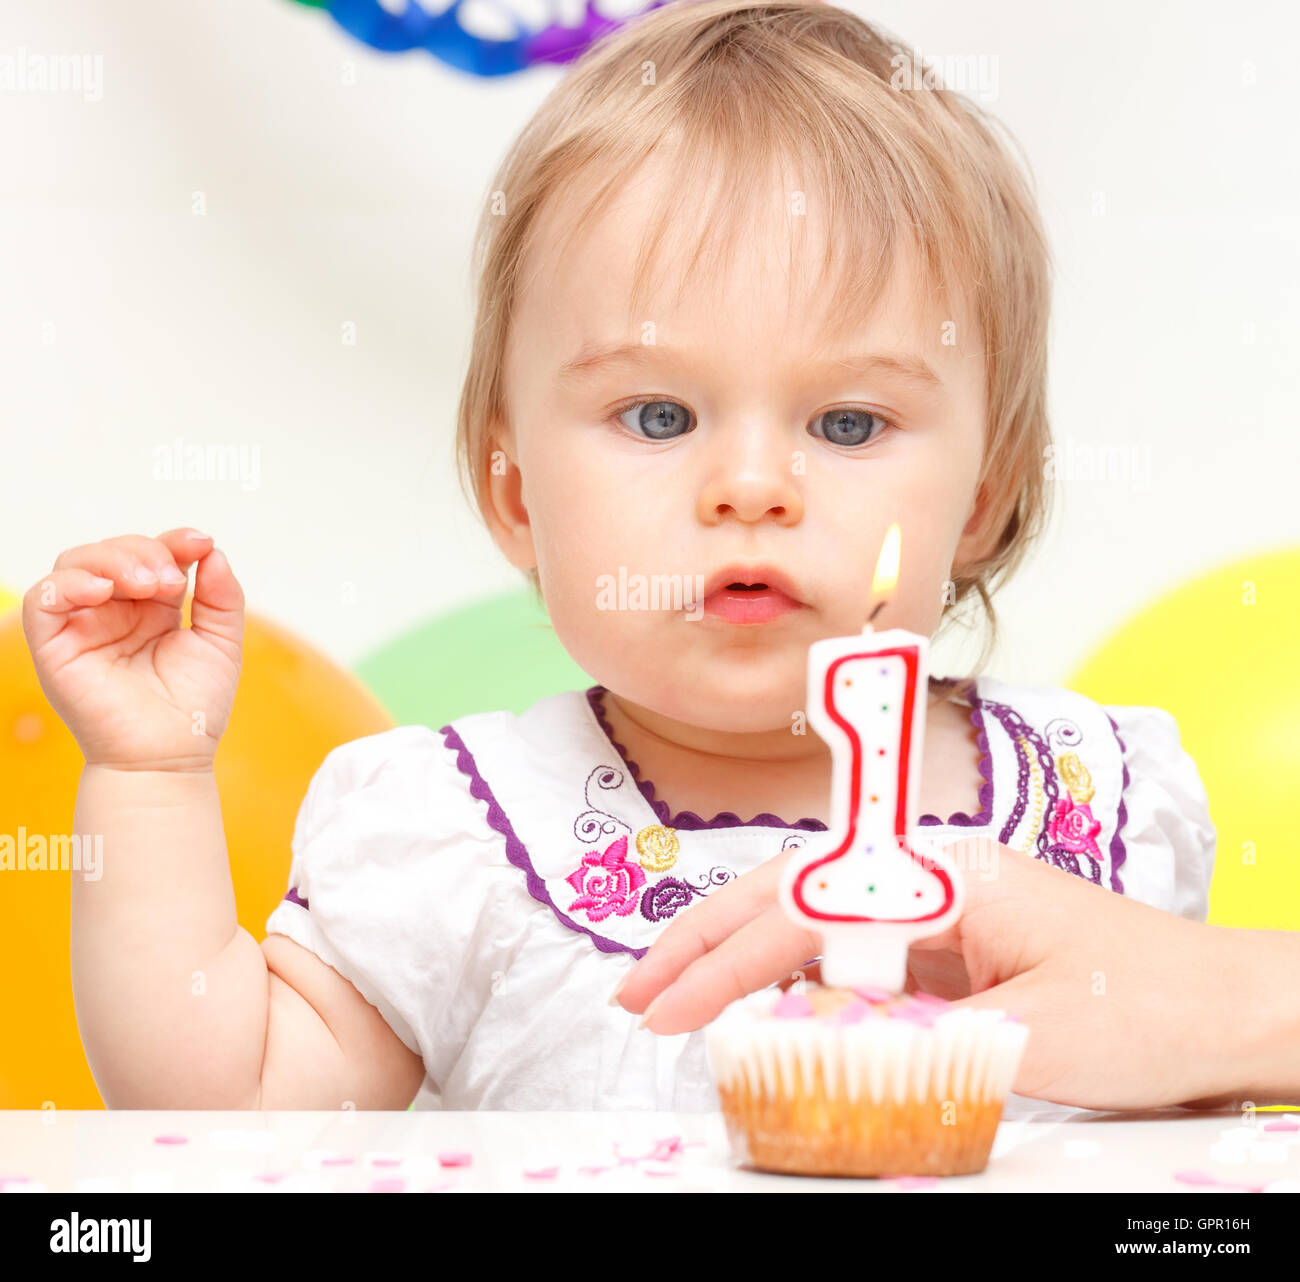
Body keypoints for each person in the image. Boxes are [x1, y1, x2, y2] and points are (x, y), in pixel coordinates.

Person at [22, 1, 1214, 1111]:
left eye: (846, 424)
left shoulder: (1100, 803)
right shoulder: (459, 835)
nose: (751, 489)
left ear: (980, 500)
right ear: (516, 495)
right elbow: (230, 1111)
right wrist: (150, 778)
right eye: (657, 417)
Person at [613, 836, 1300, 1111]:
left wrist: (1222, 1000)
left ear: (980, 519)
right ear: (513, 517)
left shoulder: (1129, 779)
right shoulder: (503, 830)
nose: (755, 513)